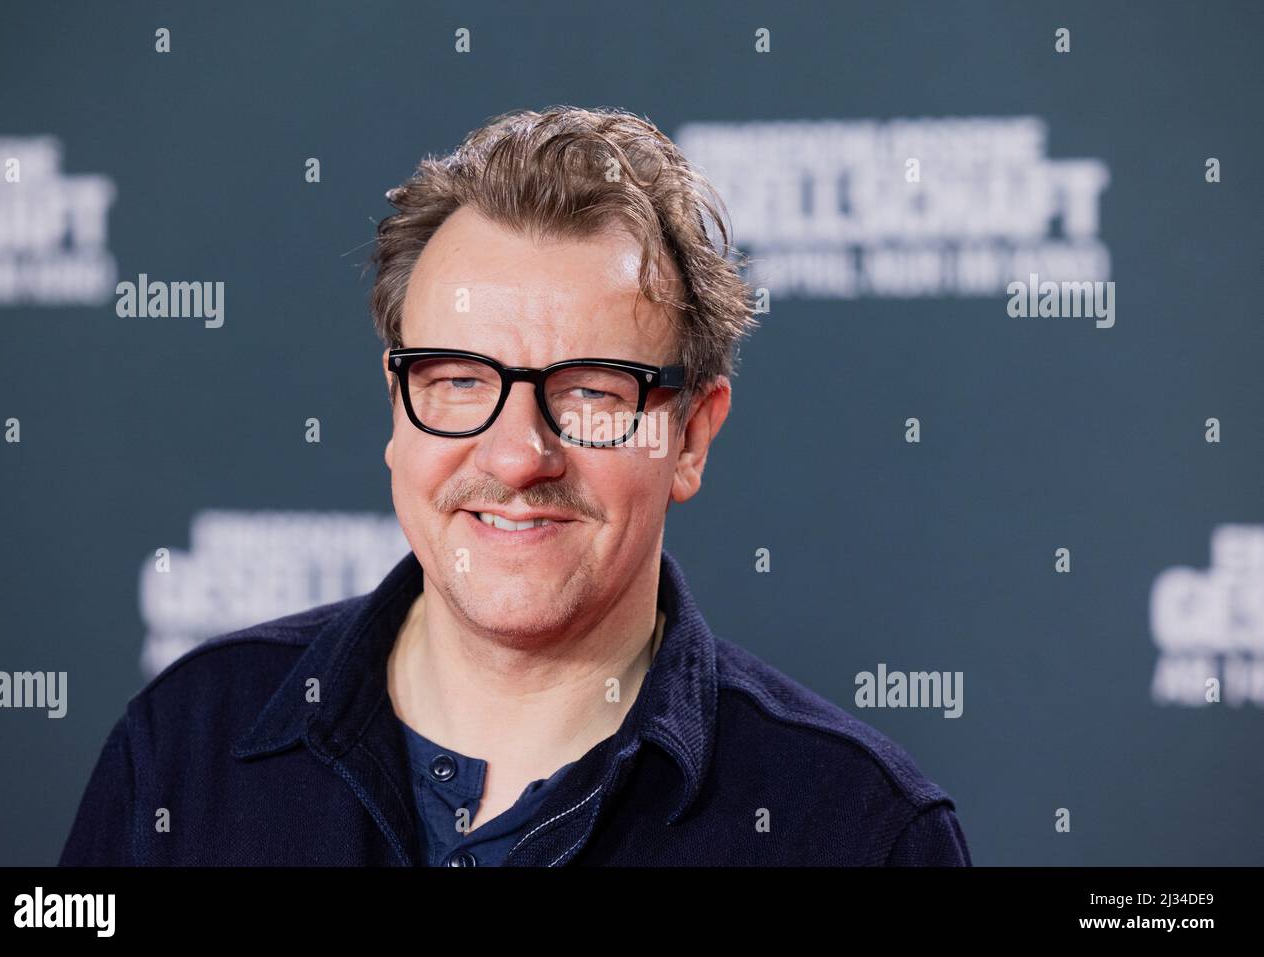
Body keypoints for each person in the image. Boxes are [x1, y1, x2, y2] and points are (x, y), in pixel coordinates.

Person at [59, 106, 971, 866]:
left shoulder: (858, 831)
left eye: (589, 391)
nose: (516, 455)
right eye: (459, 380)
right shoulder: (182, 749)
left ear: (690, 435)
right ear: (397, 405)